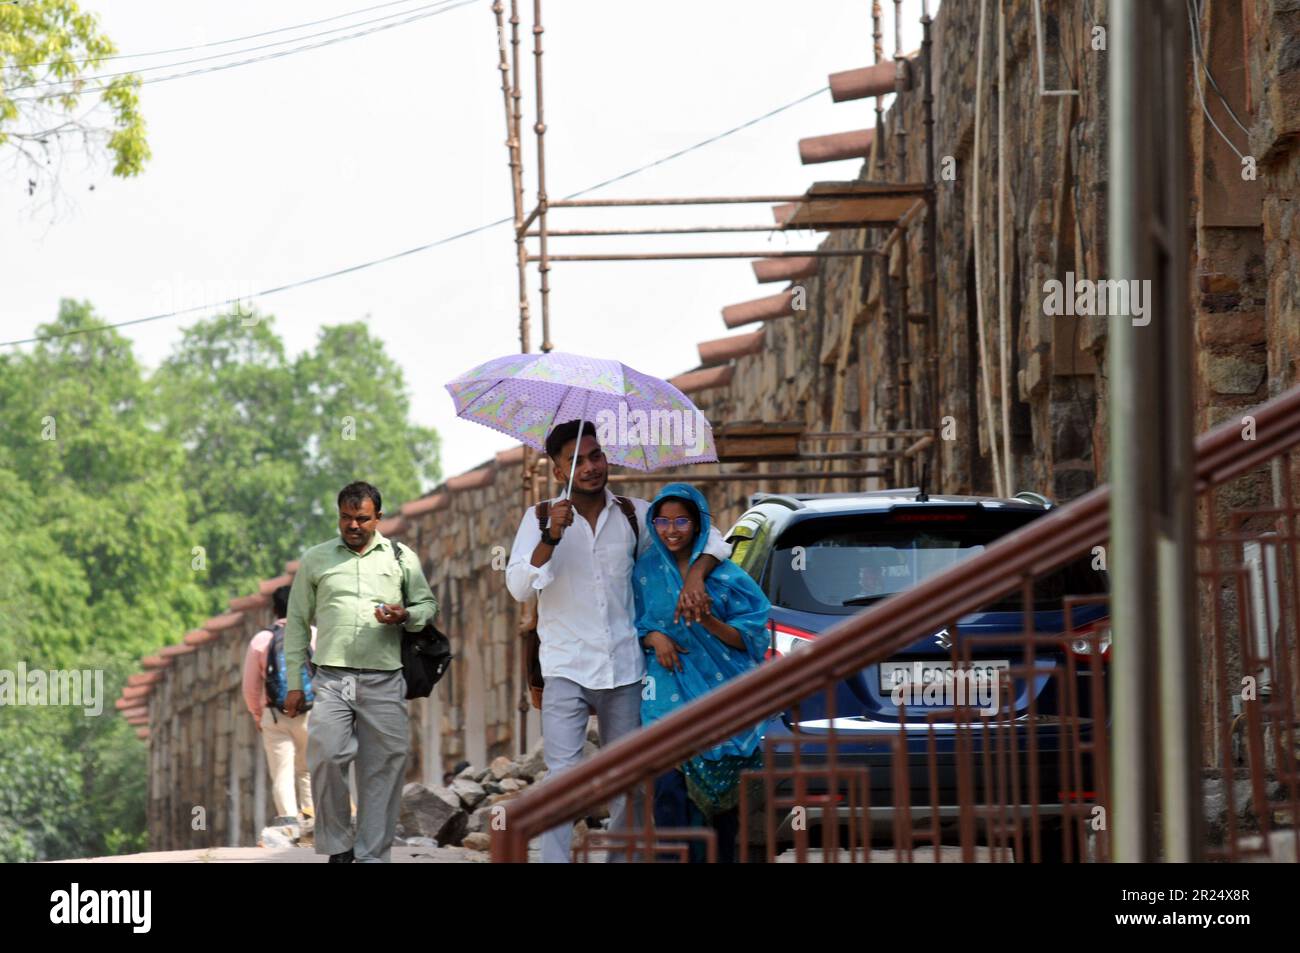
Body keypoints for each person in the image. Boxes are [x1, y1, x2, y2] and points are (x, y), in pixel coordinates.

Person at [505, 419, 733, 863]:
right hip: (564, 666)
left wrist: (696, 575)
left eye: (595, 456)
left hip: (626, 666)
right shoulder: (537, 519)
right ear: (557, 471)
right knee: (562, 779)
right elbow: (518, 587)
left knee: (627, 782)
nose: (590, 467)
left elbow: (714, 537)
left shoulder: (635, 514)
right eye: (576, 461)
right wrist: (551, 537)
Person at [283, 481, 438, 864]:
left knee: (383, 768)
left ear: (378, 518)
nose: (353, 525)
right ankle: (338, 845)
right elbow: (297, 622)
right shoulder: (317, 560)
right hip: (333, 679)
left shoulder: (401, 558)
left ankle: (371, 855)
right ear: (338, 516)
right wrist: (293, 683)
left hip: (384, 678)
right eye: (346, 518)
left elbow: (427, 605)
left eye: (362, 518)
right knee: (327, 756)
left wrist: (407, 615)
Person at [634, 482, 771, 863]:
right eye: (661, 521)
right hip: (665, 689)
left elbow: (751, 638)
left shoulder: (727, 577)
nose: (671, 530)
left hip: (720, 694)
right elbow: (632, 622)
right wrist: (655, 639)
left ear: (697, 524)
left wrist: (707, 618)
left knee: (720, 810)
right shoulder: (645, 570)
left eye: (681, 521)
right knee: (668, 789)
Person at [241, 585, 316, 827]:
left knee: (282, 771)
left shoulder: (262, 640)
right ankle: (312, 820)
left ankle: (289, 823)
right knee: (308, 769)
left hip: (275, 714)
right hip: (309, 712)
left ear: (274, 609)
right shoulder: (314, 635)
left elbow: (250, 686)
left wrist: (257, 715)